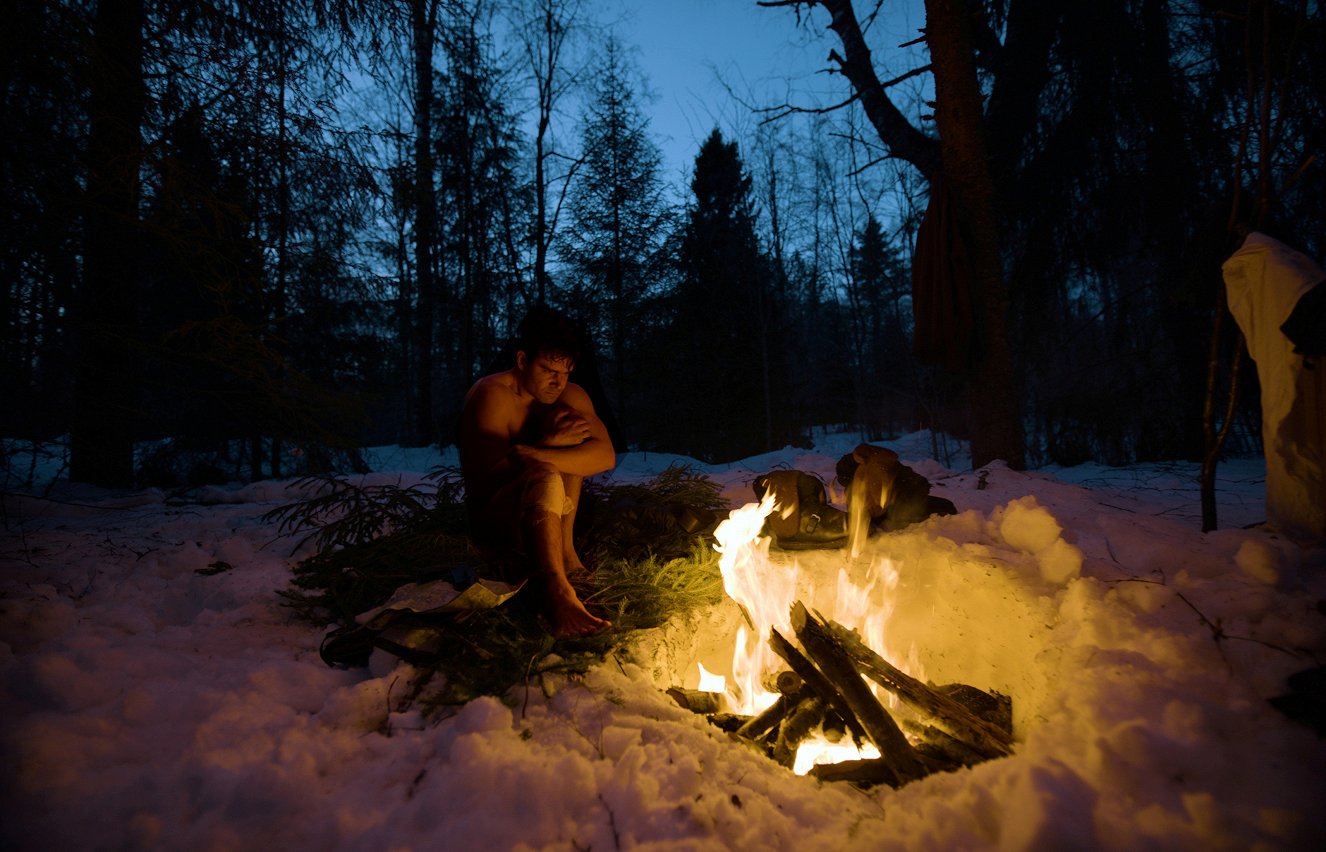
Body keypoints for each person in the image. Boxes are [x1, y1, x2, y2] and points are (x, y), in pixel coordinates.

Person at [458, 306, 616, 637]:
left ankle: (567, 556)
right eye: (547, 370)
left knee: (562, 458)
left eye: (566, 372)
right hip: (496, 519)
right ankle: (556, 591)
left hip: (549, 517)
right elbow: (486, 481)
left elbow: (604, 456)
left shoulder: (570, 395)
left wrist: (539, 451)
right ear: (521, 361)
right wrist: (546, 447)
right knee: (547, 468)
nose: (557, 382)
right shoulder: (492, 395)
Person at [1222, 229, 1326, 545]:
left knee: (1296, 435)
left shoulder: (1274, 267)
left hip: (1300, 358)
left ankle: (1304, 529)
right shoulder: (1271, 266)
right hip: (1292, 354)